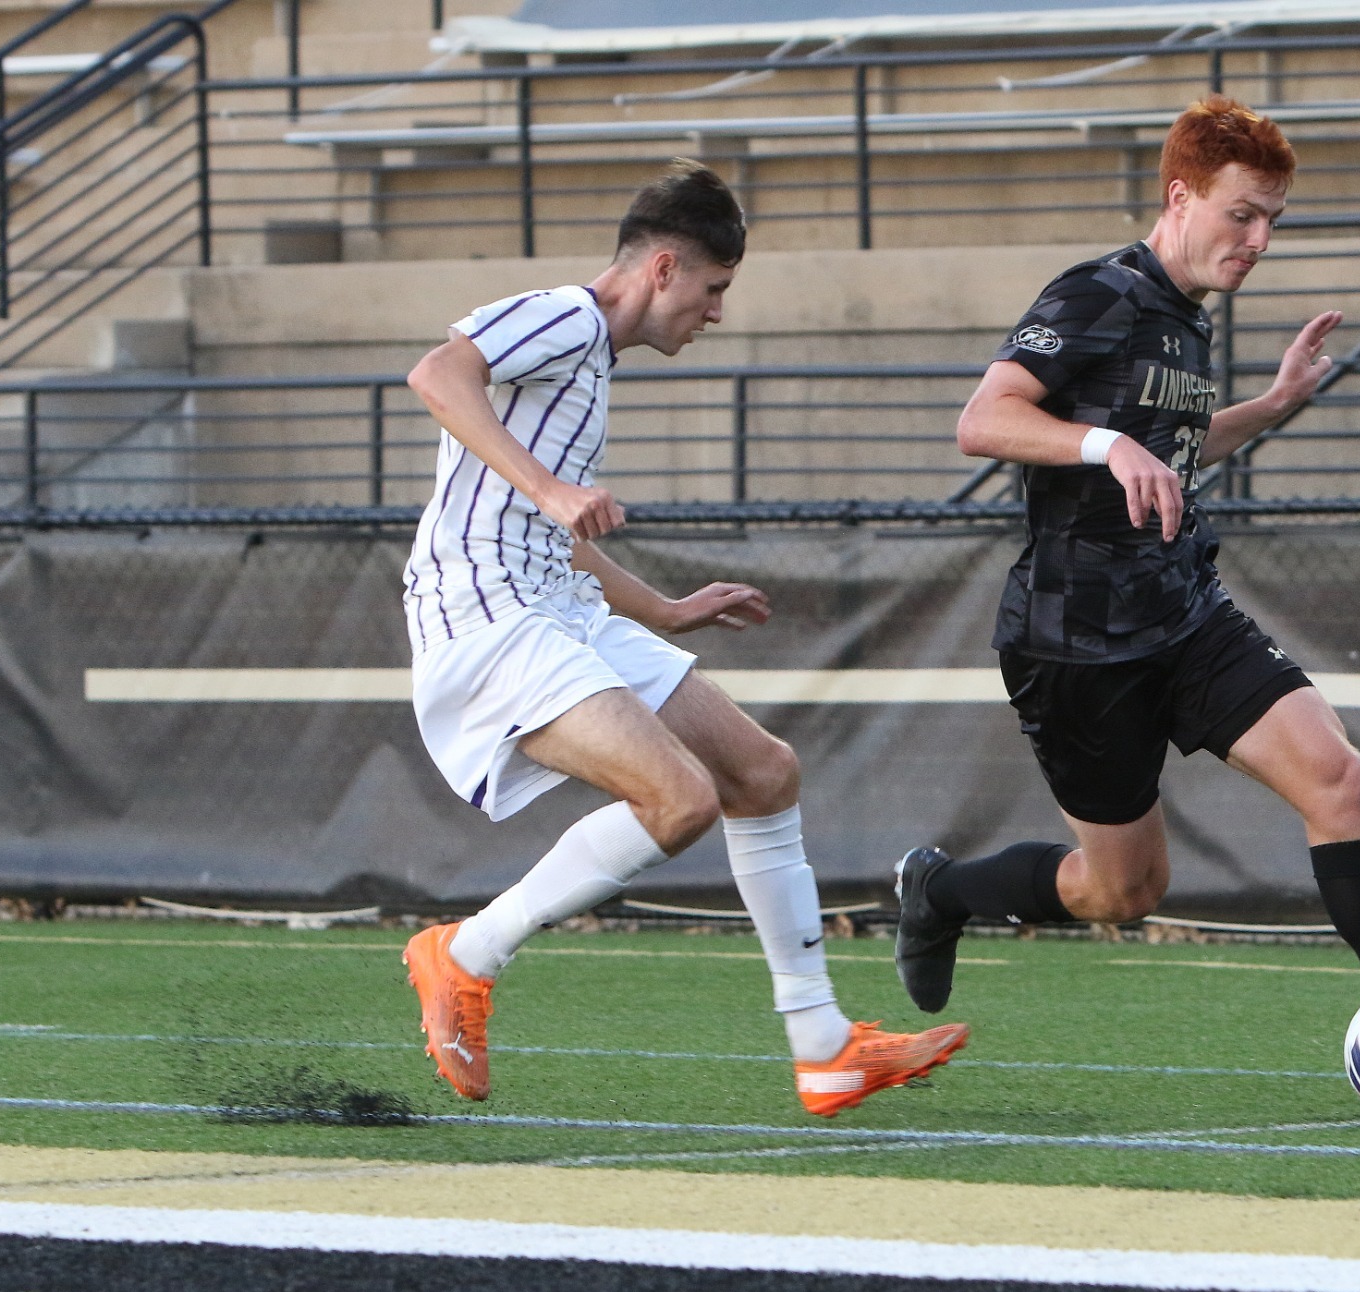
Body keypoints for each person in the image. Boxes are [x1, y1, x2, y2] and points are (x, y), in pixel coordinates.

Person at [892, 98, 1360, 1114]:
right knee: (1120, 891)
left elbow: (1174, 453)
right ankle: (939, 892)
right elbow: (984, 418)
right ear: (1180, 196)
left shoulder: (1189, 316)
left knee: (1340, 781)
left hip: (1185, 613)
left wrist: (1269, 408)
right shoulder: (1098, 292)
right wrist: (1107, 445)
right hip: (1077, 642)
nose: (1259, 239)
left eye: (1273, 219)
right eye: (1243, 214)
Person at [398, 160, 967, 1118]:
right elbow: (436, 373)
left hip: (551, 603)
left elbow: (552, 534)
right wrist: (552, 488)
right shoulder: (567, 315)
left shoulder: (591, 361)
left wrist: (660, 610)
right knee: (680, 800)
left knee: (763, 772)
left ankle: (824, 1047)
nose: (716, 312)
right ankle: (465, 953)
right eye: (713, 287)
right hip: (484, 611)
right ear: (663, 269)